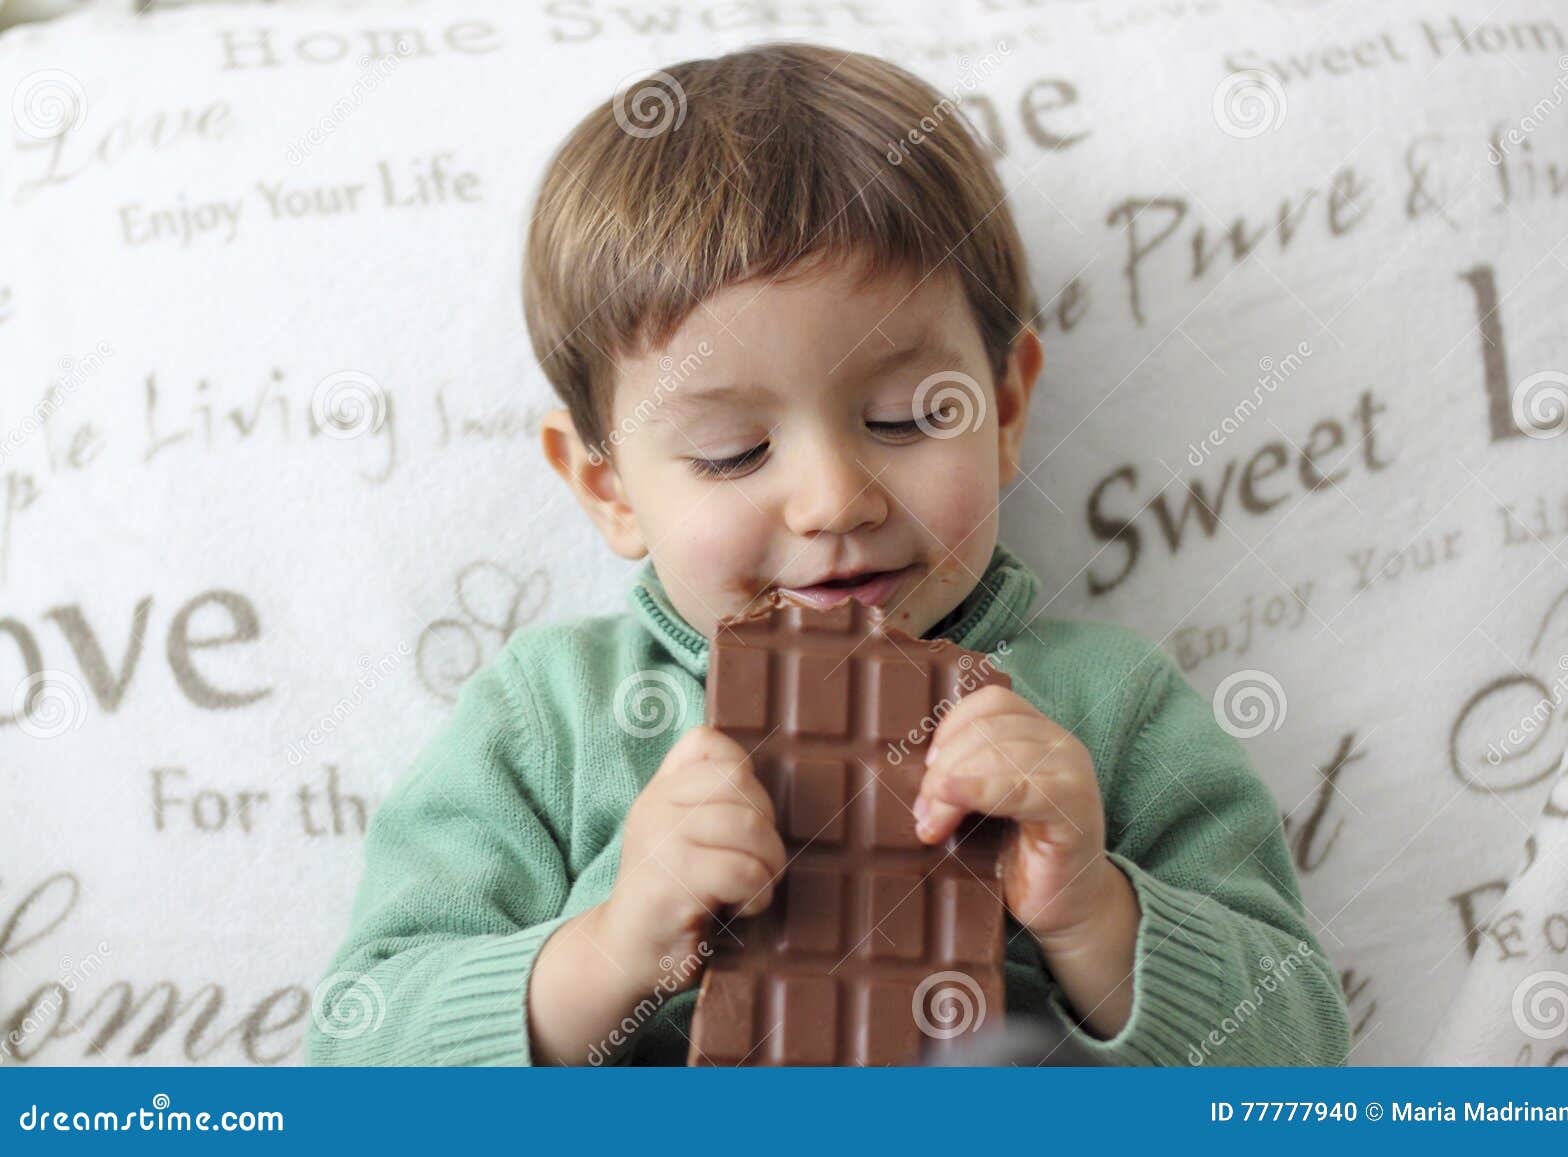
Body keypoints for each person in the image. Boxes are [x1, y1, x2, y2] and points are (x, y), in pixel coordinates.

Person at [305, 41, 1351, 1067]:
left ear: (1004, 410)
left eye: (903, 418)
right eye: (733, 451)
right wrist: (611, 949)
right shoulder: (548, 721)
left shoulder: (1110, 707)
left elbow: (1303, 1055)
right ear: (607, 486)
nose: (834, 499)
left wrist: (1094, 913)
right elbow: (352, 1061)